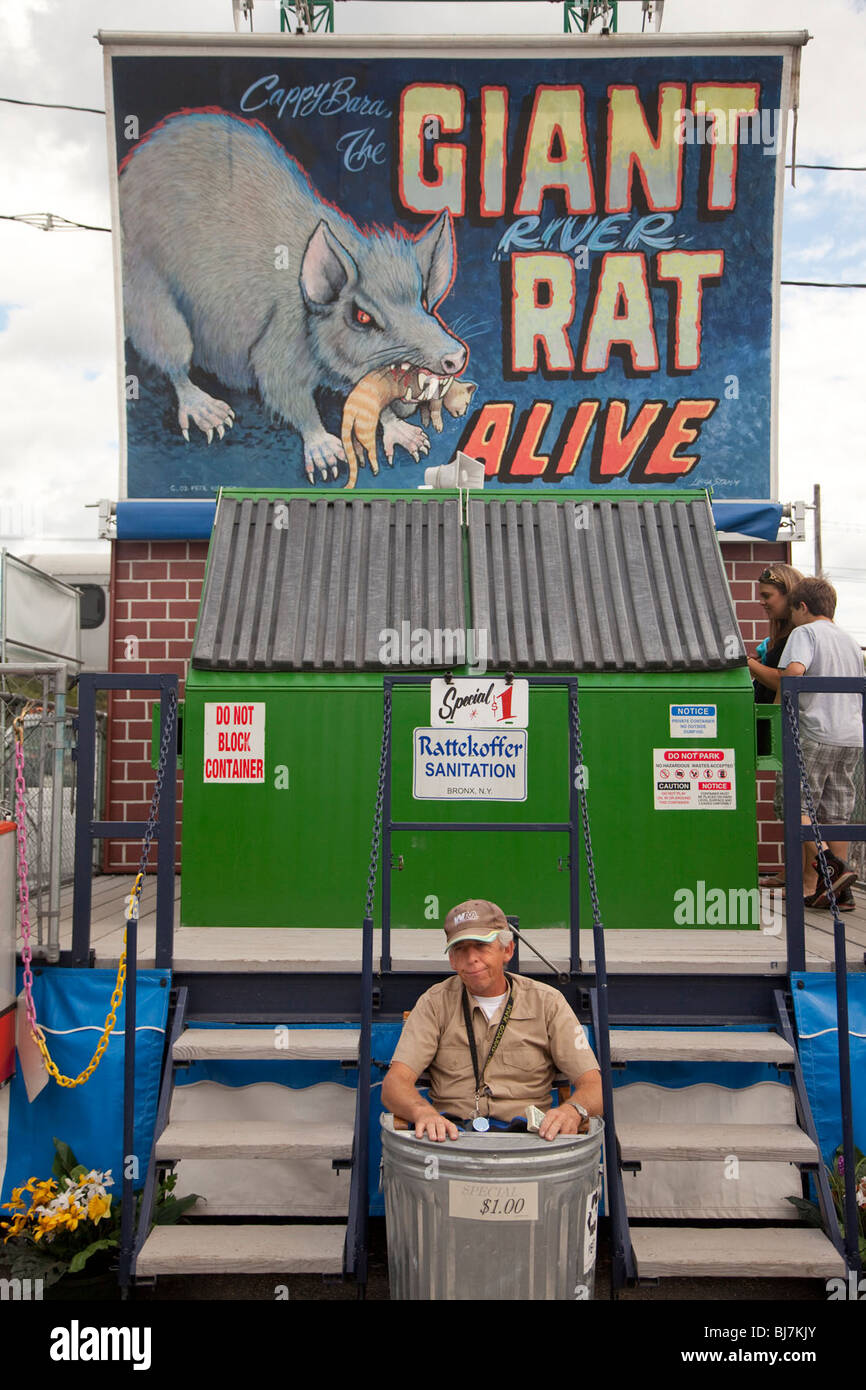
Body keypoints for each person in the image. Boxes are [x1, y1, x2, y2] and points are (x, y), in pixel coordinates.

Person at [381, 898, 603, 1142]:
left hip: (530, 1142)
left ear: (507, 950)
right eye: (460, 949)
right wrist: (422, 1112)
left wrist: (572, 1111)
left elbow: (595, 1086)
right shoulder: (434, 1003)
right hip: (452, 1138)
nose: (471, 958)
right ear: (452, 960)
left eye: (481, 945)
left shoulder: (548, 1002)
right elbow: (395, 1084)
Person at [775, 577, 865, 908]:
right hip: (851, 735)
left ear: (802, 607)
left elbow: (793, 673)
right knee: (836, 812)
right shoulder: (850, 640)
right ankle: (841, 892)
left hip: (815, 731)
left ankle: (831, 865)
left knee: (793, 803)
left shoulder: (805, 633)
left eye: (793, 612)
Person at [746, 564, 804, 892]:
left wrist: (750, 664)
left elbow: (784, 680)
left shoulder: (797, 636)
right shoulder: (779, 637)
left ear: (788, 594)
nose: (763, 602)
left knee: (795, 804)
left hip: (793, 726)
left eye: (768, 596)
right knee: (789, 804)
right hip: (780, 724)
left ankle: (814, 875)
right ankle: (792, 871)